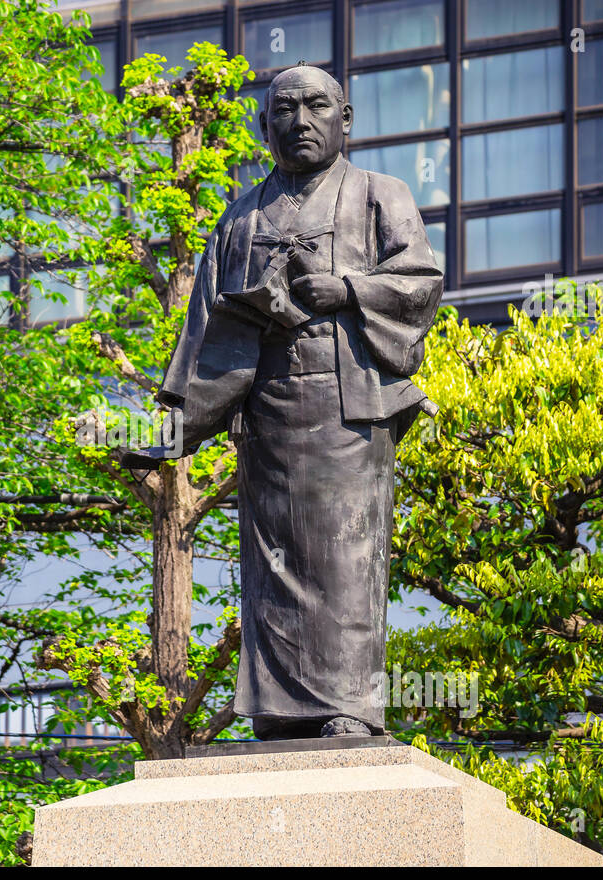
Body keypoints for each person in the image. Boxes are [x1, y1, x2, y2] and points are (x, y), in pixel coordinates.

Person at [122, 63, 444, 740]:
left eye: (316, 107)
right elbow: (205, 332)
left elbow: (419, 282)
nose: (300, 121)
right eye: (285, 110)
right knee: (272, 565)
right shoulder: (241, 217)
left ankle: (351, 709)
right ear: (264, 125)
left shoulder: (380, 195)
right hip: (265, 414)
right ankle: (280, 710)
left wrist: (349, 291)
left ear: (344, 119)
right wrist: (167, 430)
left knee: (343, 560)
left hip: (348, 410)